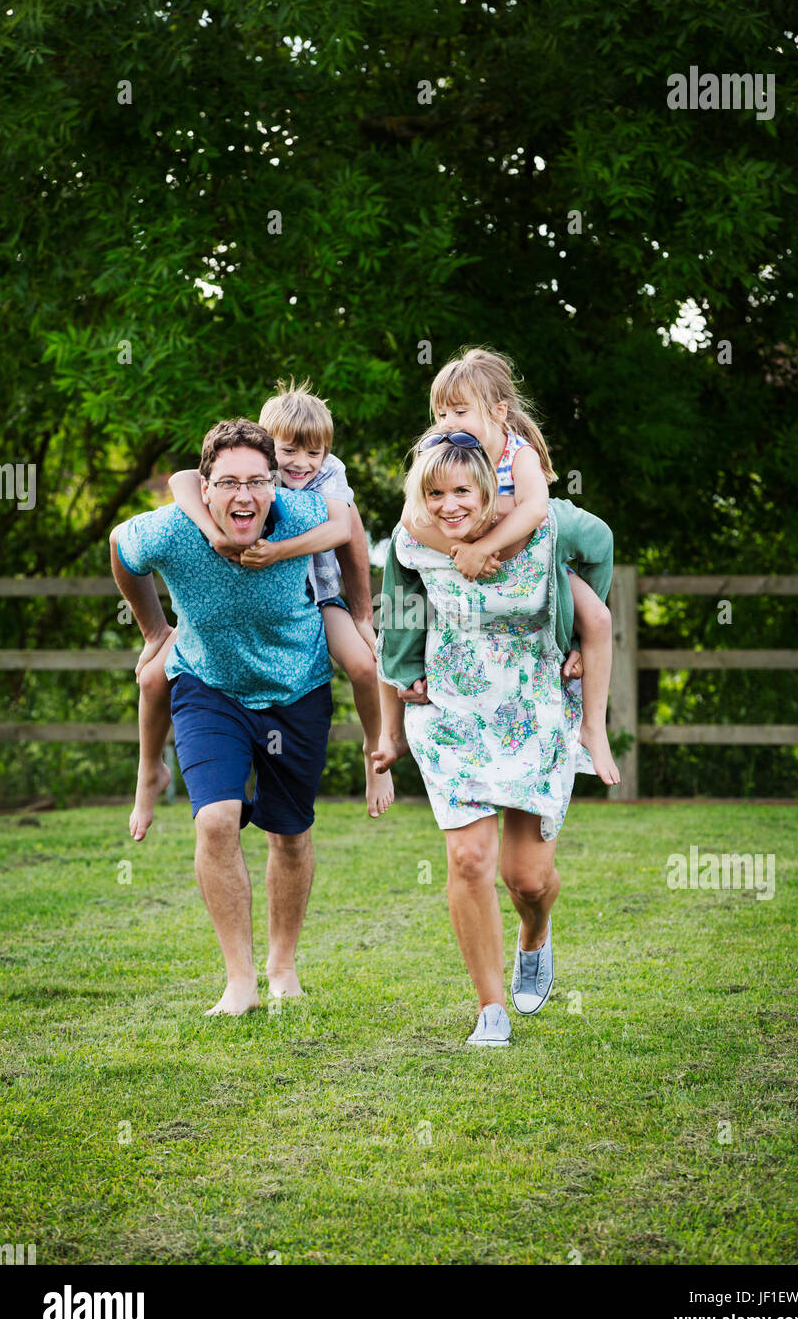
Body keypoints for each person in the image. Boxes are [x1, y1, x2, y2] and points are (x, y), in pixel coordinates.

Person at [373, 438, 613, 1046]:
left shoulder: (545, 528)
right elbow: (395, 620)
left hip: (535, 708)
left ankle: (535, 934)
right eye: (434, 493)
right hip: (452, 713)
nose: (448, 505)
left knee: (527, 879)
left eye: (461, 491)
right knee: (469, 860)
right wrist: (391, 725)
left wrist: (581, 644)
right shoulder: (411, 542)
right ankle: (490, 1008)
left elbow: (602, 548)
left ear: (487, 489)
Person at [110, 418, 335, 1016]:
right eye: (230, 482)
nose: (245, 496)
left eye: (257, 482)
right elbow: (121, 546)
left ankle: (282, 966)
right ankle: (240, 981)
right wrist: (154, 630)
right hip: (208, 684)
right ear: (204, 488)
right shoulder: (172, 529)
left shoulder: (300, 515)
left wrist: (360, 614)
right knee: (215, 820)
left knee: (290, 835)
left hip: (296, 687)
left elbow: (352, 531)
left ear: (274, 486)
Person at [169, 379, 393, 819]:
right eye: (289, 450)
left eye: (314, 452)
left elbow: (342, 529)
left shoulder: (329, 474)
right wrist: (214, 534)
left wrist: (279, 552)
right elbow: (182, 480)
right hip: (246, 604)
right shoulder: (251, 471)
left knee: (365, 666)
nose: (302, 463)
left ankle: (375, 752)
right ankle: (151, 772)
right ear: (269, 446)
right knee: (156, 674)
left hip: (317, 597)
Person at [401, 347, 619, 786]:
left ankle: (593, 726)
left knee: (598, 617)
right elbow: (411, 518)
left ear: (499, 413)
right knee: (401, 587)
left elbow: (534, 509)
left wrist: (484, 546)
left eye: (459, 411)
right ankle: (399, 689)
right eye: (441, 413)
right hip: (471, 567)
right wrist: (457, 551)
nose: (447, 422)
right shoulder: (439, 451)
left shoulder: (518, 454)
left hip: (533, 556)